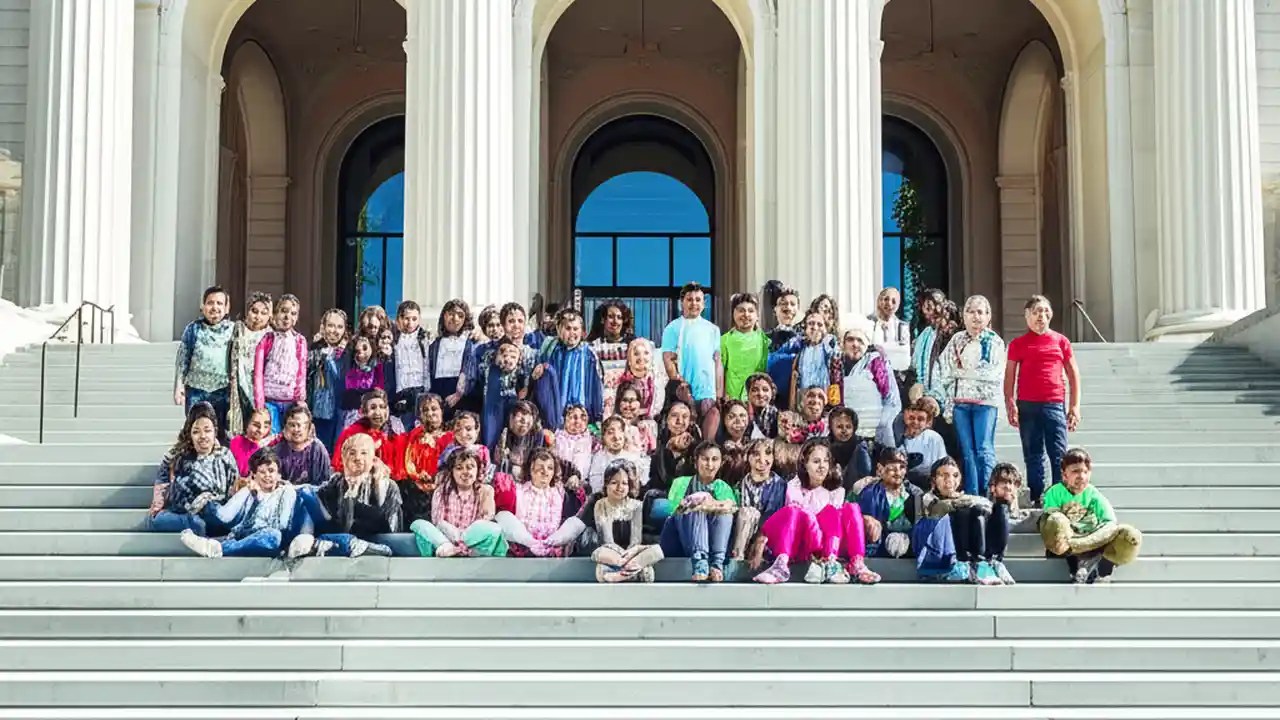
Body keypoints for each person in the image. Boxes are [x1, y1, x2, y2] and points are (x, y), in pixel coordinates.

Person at [753, 440, 879, 585]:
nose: (822, 466)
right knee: (796, 511)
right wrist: (760, 540)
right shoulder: (793, 487)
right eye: (816, 461)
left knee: (851, 508)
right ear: (805, 464)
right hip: (801, 543)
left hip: (827, 546)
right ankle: (781, 565)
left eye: (826, 461)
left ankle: (855, 563)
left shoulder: (836, 491)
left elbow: (837, 526)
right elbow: (790, 520)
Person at [1005, 295, 1081, 504]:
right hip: (1027, 405)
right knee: (1033, 454)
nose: (1042, 316)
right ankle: (1037, 497)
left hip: (1054, 404)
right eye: (1037, 311)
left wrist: (1074, 406)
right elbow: (1009, 375)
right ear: (1027, 316)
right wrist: (1010, 403)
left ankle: (1060, 497)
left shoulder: (1061, 341)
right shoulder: (1018, 344)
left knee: (1058, 454)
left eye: (1046, 311)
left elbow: (1073, 374)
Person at [1040, 448, 1142, 584]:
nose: (1081, 476)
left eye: (1085, 472)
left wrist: (1089, 541)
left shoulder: (1093, 494)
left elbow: (1109, 523)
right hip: (1067, 546)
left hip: (1093, 542)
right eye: (1075, 471)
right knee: (1055, 521)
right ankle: (1077, 569)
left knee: (1130, 535)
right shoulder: (1055, 492)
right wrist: (1073, 542)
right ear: (1064, 475)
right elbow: (1052, 520)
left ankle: (1102, 568)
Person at [178, 448, 305, 558]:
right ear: (254, 475)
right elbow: (225, 517)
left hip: (272, 540)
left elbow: (281, 525)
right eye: (262, 472)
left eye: (271, 471)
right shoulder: (248, 491)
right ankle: (214, 544)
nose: (267, 475)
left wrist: (258, 501)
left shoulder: (287, 492)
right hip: (245, 536)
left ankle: (218, 548)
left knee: (273, 535)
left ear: (278, 474)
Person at [940, 295, 1006, 496]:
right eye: (971, 312)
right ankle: (972, 493)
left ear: (988, 316)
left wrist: (962, 372)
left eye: (981, 312)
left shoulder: (994, 341)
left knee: (984, 450)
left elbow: (993, 373)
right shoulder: (957, 339)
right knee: (967, 452)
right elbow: (945, 367)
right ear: (963, 315)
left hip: (985, 403)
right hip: (961, 403)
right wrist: (961, 374)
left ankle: (989, 494)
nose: (976, 317)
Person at [291, 433, 398, 558]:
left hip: (376, 537)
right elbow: (319, 498)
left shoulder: (385, 484)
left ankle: (363, 547)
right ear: (344, 458)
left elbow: (391, 524)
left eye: (364, 453)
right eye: (352, 453)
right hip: (342, 535)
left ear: (373, 458)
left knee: (339, 540)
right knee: (306, 494)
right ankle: (308, 540)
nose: (357, 458)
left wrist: (374, 489)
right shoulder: (337, 481)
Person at [149, 403, 239, 535]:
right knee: (156, 521)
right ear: (190, 433)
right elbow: (164, 481)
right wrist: (158, 502)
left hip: (216, 511)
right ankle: (193, 525)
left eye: (207, 430)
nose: (203, 436)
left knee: (217, 514)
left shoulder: (224, 455)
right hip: (184, 511)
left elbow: (233, 487)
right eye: (196, 431)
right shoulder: (178, 456)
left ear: (215, 431)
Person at [660, 441, 737, 582]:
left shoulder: (722, 487)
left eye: (715, 459)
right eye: (705, 459)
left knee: (725, 514)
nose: (710, 464)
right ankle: (700, 564)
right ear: (696, 462)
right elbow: (676, 511)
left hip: (711, 540)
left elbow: (730, 507)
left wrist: (708, 505)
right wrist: (701, 504)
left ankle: (716, 565)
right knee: (694, 507)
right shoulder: (680, 482)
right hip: (680, 536)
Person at [410, 446, 507, 557]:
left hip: (471, 542)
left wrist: (464, 539)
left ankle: (463, 549)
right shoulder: (441, 491)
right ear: (452, 472)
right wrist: (455, 538)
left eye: (470, 467)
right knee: (419, 524)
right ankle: (449, 547)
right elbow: (439, 522)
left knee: (494, 528)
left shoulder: (483, 492)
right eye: (459, 468)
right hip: (445, 540)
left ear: (478, 470)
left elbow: (484, 523)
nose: (465, 472)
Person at [922, 457, 1006, 585]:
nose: (950, 480)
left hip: (971, 543)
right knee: (961, 512)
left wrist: (966, 502)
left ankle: (987, 563)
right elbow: (937, 509)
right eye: (944, 476)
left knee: (996, 510)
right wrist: (957, 503)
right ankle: (965, 563)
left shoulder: (964, 497)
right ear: (934, 480)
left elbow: (986, 504)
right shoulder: (928, 497)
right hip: (942, 547)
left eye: (955, 476)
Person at [493, 448, 588, 557]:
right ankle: (533, 544)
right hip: (523, 546)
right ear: (531, 470)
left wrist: (575, 476)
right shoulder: (518, 490)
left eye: (550, 468)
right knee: (504, 516)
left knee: (574, 523)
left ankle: (546, 544)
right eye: (540, 468)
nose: (545, 472)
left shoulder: (560, 493)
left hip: (553, 546)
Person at [661, 282, 723, 440]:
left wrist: (719, 393)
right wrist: (678, 383)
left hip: (707, 392)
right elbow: (668, 359)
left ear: (703, 303)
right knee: (686, 437)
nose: (693, 303)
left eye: (698, 300)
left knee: (708, 439)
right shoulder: (673, 328)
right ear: (682, 302)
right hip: (685, 392)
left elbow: (717, 362)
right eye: (689, 299)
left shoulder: (713, 329)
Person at [587, 459, 664, 583]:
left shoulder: (636, 506)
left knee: (657, 551)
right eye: (614, 482)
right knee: (599, 554)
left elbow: (635, 541)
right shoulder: (600, 505)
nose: (619, 487)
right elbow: (607, 541)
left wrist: (630, 557)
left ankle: (620, 575)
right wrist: (621, 560)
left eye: (624, 483)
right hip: (610, 554)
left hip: (631, 555)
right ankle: (630, 572)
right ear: (606, 484)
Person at [827, 325, 900, 448]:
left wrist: (881, 426)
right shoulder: (836, 366)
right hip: (847, 434)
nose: (855, 344)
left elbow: (892, 400)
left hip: (875, 432)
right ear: (843, 344)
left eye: (860, 340)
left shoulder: (877, 363)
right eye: (850, 340)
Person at [174, 286, 235, 430]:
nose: (214, 307)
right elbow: (183, 357)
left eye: (219, 303)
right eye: (210, 303)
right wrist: (179, 386)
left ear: (227, 308)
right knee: (196, 430)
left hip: (223, 390)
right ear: (203, 306)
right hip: (196, 390)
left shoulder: (234, 330)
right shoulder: (193, 329)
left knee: (221, 432)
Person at [851, 448, 924, 561]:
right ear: (880, 469)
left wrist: (907, 539)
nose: (898, 473)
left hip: (909, 556)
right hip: (877, 556)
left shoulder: (916, 494)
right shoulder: (870, 494)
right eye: (892, 468)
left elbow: (921, 527)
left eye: (902, 468)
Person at [539, 308, 606, 426]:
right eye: (568, 328)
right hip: (555, 412)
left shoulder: (589, 354)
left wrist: (597, 415)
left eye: (576, 329)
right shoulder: (551, 350)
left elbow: (596, 385)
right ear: (558, 329)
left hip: (582, 413)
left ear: (582, 331)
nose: (572, 333)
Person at [252, 294, 307, 434]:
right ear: (275, 314)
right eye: (283, 311)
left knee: (290, 435)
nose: (287, 316)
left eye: (293, 313)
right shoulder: (268, 339)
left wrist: (300, 399)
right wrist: (260, 403)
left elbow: (301, 372)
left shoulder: (299, 341)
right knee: (272, 435)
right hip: (270, 401)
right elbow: (258, 372)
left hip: (290, 401)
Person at [396, 393, 449, 523]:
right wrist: (418, 476)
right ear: (419, 415)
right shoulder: (414, 436)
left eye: (434, 409)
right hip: (416, 486)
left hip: (443, 486)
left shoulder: (451, 437)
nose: (430, 413)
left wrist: (437, 478)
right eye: (425, 410)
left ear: (442, 411)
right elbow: (408, 460)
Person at [732, 439, 786, 562]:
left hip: (767, 540)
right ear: (748, 457)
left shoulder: (779, 485)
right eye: (756, 454)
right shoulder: (739, 485)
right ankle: (737, 556)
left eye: (768, 453)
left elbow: (773, 517)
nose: (762, 460)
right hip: (741, 536)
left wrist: (760, 541)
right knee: (747, 513)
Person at [227, 291, 272, 436]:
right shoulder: (237, 329)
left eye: (263, 313)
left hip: (262, 389)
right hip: (239, 385)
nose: (258, 317)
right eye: (254, 311)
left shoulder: (271, 335)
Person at [332, 389, 404, 472]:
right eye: (373, 408)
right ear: (364, 412)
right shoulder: (352, 434)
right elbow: (340, 465)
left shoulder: (394, 432)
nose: (378, 412)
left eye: (382, 407)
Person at [586, 300, 637, 418]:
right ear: (603, 319)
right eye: (611, 317)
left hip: (626, 404)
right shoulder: (592, 347)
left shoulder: (633, 345)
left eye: (619, 317)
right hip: (601, 404)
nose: (615, 321)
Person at [308, 308, 349, 452]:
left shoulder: (349, 353)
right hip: (320, 410)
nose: (334, 331)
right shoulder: (313, 351)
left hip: (342, 409)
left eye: (339, 327)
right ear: (323, 327)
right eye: (331, 325)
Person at [480, 338, 533, 449]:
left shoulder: (520, 372)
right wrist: (496, 362)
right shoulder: (491, 369)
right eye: (504, 354)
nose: (508, 358)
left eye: (513, 356)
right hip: (494, 404)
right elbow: (484, 367)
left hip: (512, 403)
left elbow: (526, 379)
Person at [781, 310, 838, 411]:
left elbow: (836, 358)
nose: (815, 327)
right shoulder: (800, 348)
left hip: (823, 401)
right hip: (803, 401)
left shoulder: (829, 346)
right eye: (811, 323)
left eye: (819, 324)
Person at [428, 299, 475, 418]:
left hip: (459, 392)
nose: (455, 319)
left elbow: (469, 369)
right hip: (438, 390)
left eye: (460, 316)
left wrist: (459, 394)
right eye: (451, 314)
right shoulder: (434, 344)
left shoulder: (468, 343)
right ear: (444, 316)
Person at [721, 293, 769, 402]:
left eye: (751, 311)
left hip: (758, 400)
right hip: (732, 401)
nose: (746, 314)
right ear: (733, 313)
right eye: (741, 310)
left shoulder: (765, 340)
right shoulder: (724, 340)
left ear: (757, 315)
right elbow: (720, 373)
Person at [390, 300, 430, 429]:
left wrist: (427, 388)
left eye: (414, 319)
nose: (410, 323)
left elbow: (427, 364)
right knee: (402, 426)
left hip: (419, 387)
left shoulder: (424, 339)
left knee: (419, 426)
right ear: (399, 319)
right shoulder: (393, 339)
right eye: (406, 318)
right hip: (400, 390)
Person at [492, 400, 553, 480]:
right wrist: (511, 468)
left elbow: (536, 458)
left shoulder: (537, 434)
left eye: (529, 415)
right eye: (520, 417)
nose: (524, 421)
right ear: (511, 418)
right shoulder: (503, 432)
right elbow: (498, 461)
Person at [761, 281, 801, 407]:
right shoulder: (764, 339)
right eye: (783, 304)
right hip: (768, 401)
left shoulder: (804, 341)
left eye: (792, 304)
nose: (788, 308)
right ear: (775, 309)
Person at [586, 416, 648, 492]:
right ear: (603, 437)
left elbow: (640, 484)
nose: (616, 437)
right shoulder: (598, 458)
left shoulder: (633, 458)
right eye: (610, 432)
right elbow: (595, 486)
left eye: (620, 431)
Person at [897, 397, 948, 490]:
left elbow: (942, 466)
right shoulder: (898, 436)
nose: (915, 422)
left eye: (920, 419)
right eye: (911, 418)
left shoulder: (934, 438)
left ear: (928, 422)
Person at [275, 404, 331, 486]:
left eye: (300, 425)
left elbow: (325, 481)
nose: (296, 430)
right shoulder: (278, 450)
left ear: (309, 428)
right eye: (292, 425)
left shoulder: (317, 449)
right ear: (285, 427)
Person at [339, 335, 384, 430]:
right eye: (357, 351)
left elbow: (379, 387)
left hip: (371, 411)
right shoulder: (351, 368)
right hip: (353, 411)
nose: (361, 354)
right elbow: (349, 387)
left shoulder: (377, 366)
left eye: (364, 348)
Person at [616, 337, 667, 421]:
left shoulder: (657, 381)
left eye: (646, 353)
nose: (641, 357)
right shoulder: (620, 381)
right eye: (636, 354)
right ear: (629, 360)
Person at [868, 287, 911, 377]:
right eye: (886, 299)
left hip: (897, 376)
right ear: (879, 300)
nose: (889, 304)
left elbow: (904, 357)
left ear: (898, 305)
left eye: (893, 301)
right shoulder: (869, 322)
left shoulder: (902, 327)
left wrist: (881, 350)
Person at [828, 407, 872, 488]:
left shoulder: (860, 447)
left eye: (848, 427)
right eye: (839, 427)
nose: (844, 430)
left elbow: (866, 476)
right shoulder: (825, 446)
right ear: (831, 427)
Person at [229, 407, 275, 479]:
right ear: (247, 424)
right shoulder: (235, 442)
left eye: (265, 426)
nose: (261, 430)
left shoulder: (266, 449)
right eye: (256, 425)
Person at [553, 403, 597, 479]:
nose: (578, 421)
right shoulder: (555, 438)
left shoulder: (593, 441)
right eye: (573, 417)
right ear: (565, 419)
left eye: (583, 418)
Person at [614, 383, 657, 453]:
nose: (629, 404)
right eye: (625, 400)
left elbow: (653, 450)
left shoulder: (650, 424)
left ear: (639, 402)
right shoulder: (614, 424)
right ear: (618, 402)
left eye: (633, 400)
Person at [744, 373, 779, 439]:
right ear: (748, 393)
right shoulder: (743, 410)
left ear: (772, 393)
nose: (760, 394)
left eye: (765, 390)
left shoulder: (774, 413)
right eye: (755, 390)